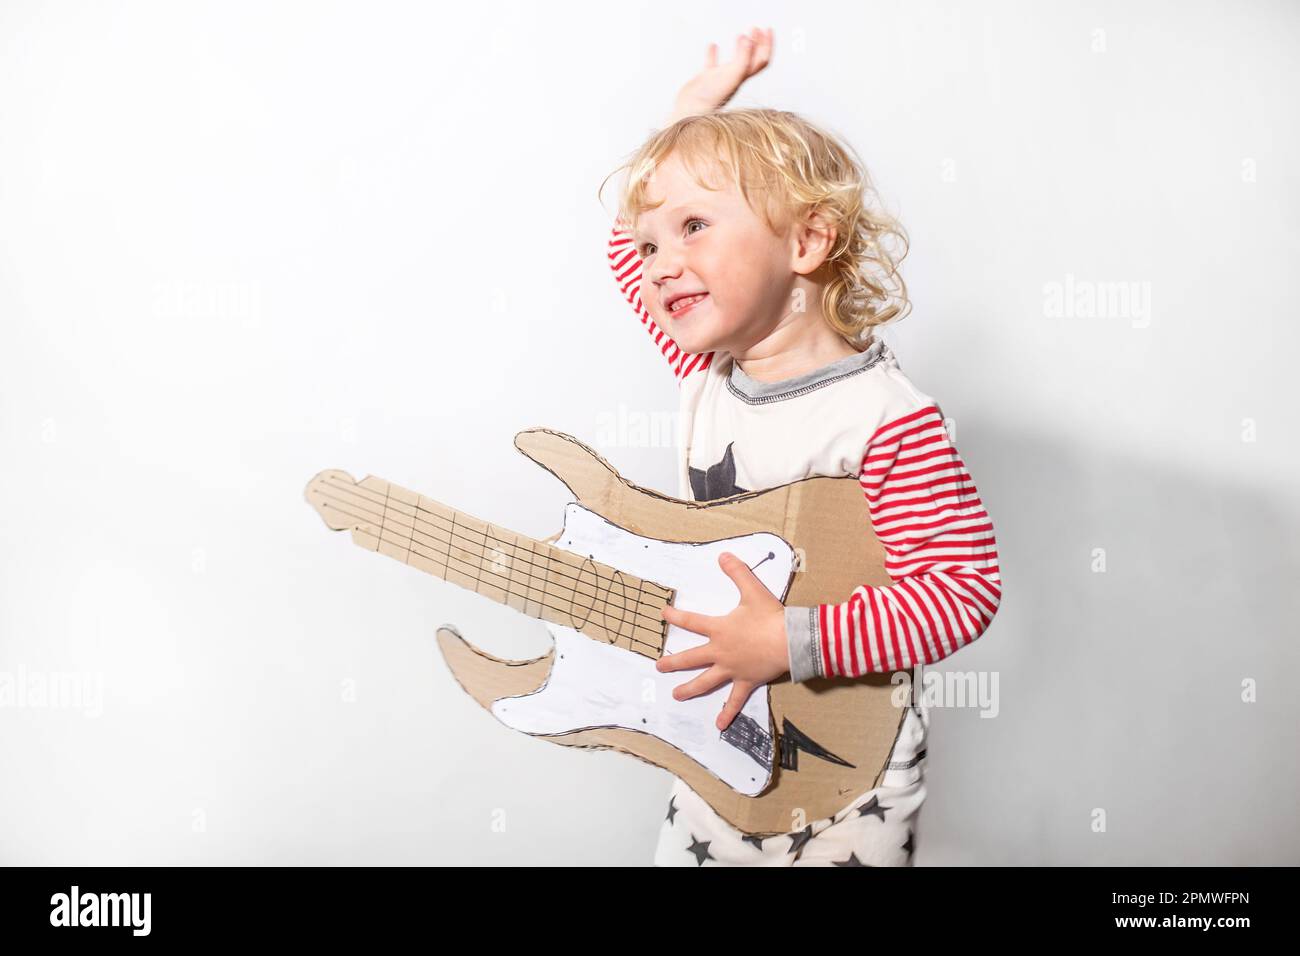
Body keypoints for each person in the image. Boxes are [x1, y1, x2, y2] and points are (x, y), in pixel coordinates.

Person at [600, 28, 1003, 866]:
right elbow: (618, 247)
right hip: (712, 746)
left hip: (847, 784)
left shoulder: (885, 419)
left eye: (695, 226)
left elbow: (963, 588)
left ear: (807, 243)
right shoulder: (704, 369)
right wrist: (689, 113)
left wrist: (791, 642)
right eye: (651, 244)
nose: (659, 265)